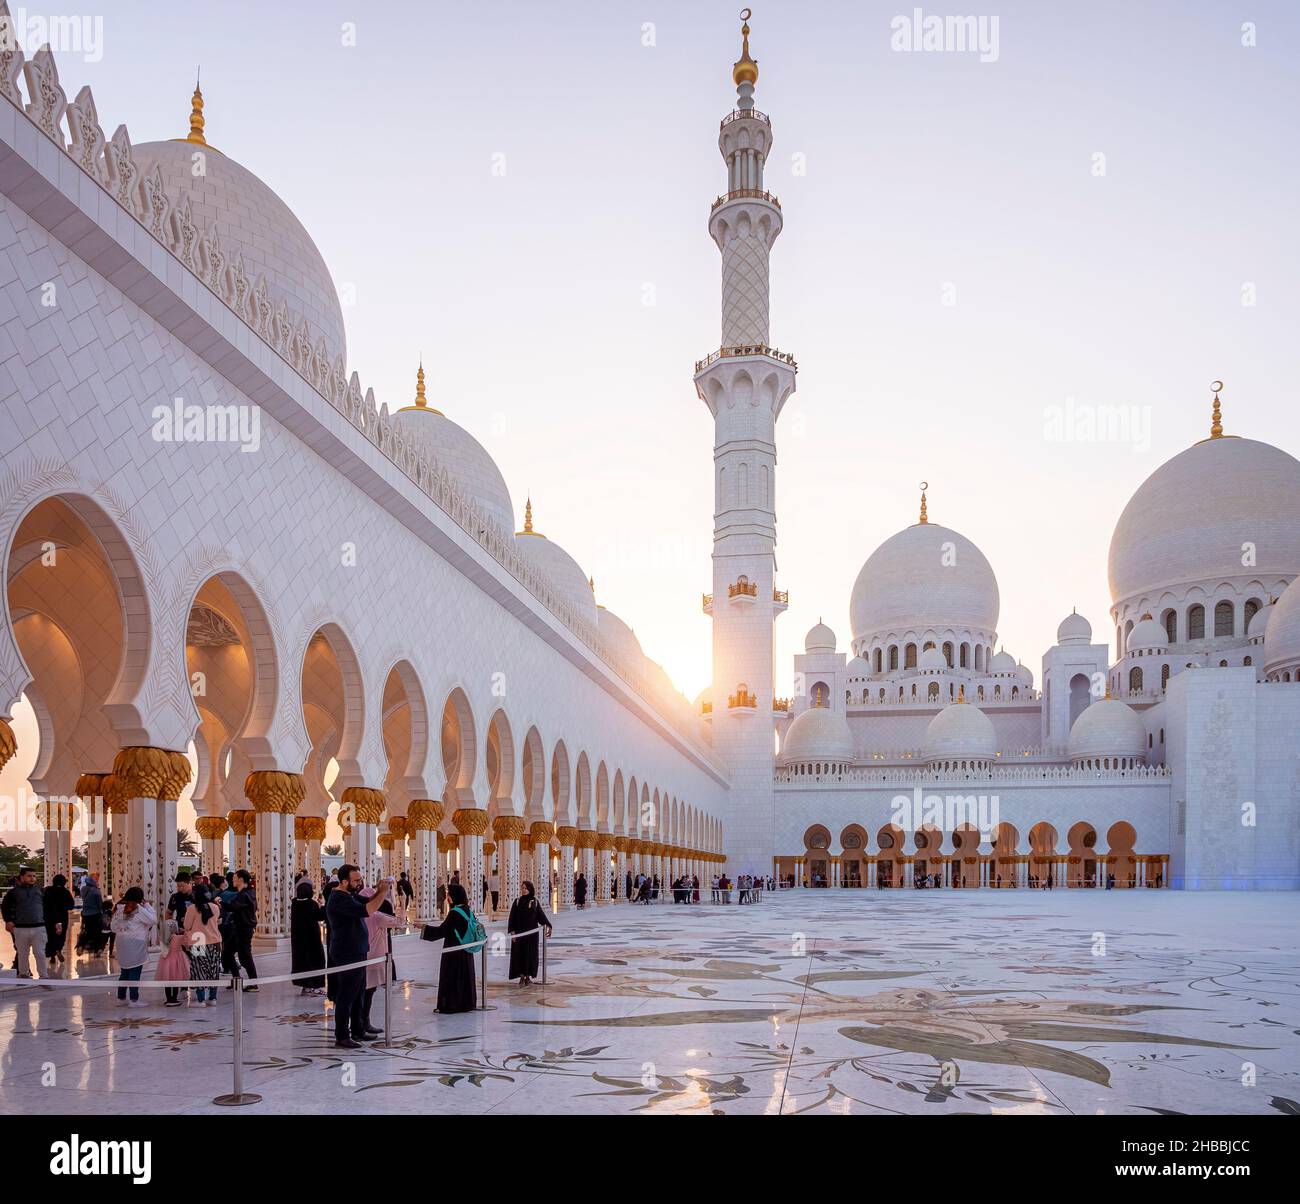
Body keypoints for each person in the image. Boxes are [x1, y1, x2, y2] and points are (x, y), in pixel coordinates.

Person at [325, 864, 392, 1049]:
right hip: (347, 953)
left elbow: (364, 903)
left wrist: (378, 891)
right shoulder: (339, 899)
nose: (359, 883)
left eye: (360, 879)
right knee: (346, 995)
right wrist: (383, 893)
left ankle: (358, 1029)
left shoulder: (348, 895)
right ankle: (342, 1036)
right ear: (344, 881)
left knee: (358, 992)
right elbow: (368, 910)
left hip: (357, 950)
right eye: (355, 881)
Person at [421, 881, 477, 1014]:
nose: (447, 898)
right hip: (466, 951)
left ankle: (451, 1004)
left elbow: (442, 931)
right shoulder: (468, 910)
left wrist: (424, 929)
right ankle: (466, 1003)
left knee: (452, 977)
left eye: (449, 895)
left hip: (453, 953)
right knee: (465, 976)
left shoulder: (454, 913)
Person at [361, 883, 403, 1034]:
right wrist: (403, 903)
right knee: (369, 991)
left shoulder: (358, 915)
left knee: (361, 992)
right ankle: (364, 1022)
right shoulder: (377, 916)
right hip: (374, 959)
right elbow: (400, 922)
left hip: (360, 956)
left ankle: (359, 1023)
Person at [111, 887, 156, 1006]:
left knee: (124, 971)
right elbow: (153, 920)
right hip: (136, 943)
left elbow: (113, 927)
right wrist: (148, 906)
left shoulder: (118, 908)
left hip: (121, 943)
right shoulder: (139, 909)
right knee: (135, 971)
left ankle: (121, 998)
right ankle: (134, 999)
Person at [2, 866, 46, 978]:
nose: (32, 878)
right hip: (20, 928)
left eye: (34, 876)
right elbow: (5, 907)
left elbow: (48, 908)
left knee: (40, 953)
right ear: (22, 877)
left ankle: (43, 976)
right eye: (29, 876)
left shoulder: (40, 891)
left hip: (38, 927)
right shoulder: (13, 893)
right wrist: (8, 921)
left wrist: (55, 922)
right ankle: (24, 974)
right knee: (22, 953)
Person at [183, 882, 223, 1004]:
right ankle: (213, 998)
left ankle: (200, 1000)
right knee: (213, 969)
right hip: (215, 942)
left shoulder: (191, 909)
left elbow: (186, 926)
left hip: (198, 941)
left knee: (198, 970)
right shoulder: (215, 907)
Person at [507, 880, 551, 986]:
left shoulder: (534, 902)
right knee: (520, 954)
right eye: (522, 888)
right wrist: (513, 933)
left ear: (530, 889)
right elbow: (512, 918)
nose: (523, 890)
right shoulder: (517, 902)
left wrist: (548, 925)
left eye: (526, 888)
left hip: (532, 935)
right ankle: (522, 976)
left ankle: (528, 976)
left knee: (530, 955)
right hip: (520, 934)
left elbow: (540, 916)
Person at [290, 881, 326, 995]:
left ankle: (305, 986)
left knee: (302, 962)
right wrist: (325, 907)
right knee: (315, 960)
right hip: (311, 938)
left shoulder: (294, 904)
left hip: (298, 939)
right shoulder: (311, 904)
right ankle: (315, 986)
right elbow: (319, 916)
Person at [227, 870, 259, 990]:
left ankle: (253, 983)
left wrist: (220, 903)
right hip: (240, 928)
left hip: (243, 929)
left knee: (245, 956)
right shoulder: (249, 893)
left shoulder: (244, 895)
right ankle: (237, 980)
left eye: (235, 878)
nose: (233, 880)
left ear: (240, 879)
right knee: (228, 953)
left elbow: (233, 906)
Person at [155, 911, 190, 1006]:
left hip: (165, 961)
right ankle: (174, 999)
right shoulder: (178, 937)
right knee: (175, 979)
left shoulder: (163, 938)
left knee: (167, 980)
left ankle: (168, 999)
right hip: (177, 960)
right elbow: (187, 941)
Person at [42, 873, 76, 967]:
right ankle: (58, 949)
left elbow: (43, 903)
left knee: (50, 935)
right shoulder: (65, 892)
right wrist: (63, 907)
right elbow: (71, 905)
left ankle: (51, 955)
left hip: (49, 917)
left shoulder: (48, 890)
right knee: (61, 935)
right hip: (62, 917)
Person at [76, 872, 107, 955]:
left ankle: (81, 946)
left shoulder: (83, 889)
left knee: (87, 930)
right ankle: (98, 949)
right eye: (96, 879)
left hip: (85, 913)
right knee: (97, 931)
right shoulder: (96, 891)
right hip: (95, 914)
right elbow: (99, 904)